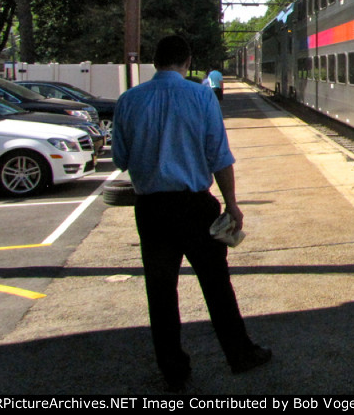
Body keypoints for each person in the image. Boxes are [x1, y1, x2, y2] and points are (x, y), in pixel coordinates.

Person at [112, 34, 270, 391]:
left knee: (161, 291)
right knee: (217, 286)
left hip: (151, 209)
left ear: (155, 61)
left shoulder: (128, 100)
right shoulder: (201, 96)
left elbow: (120, 158)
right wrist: (231, 203)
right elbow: (219, 156)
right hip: (195, 205)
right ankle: (240, 355)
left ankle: (174, 370)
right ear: (187, 61)